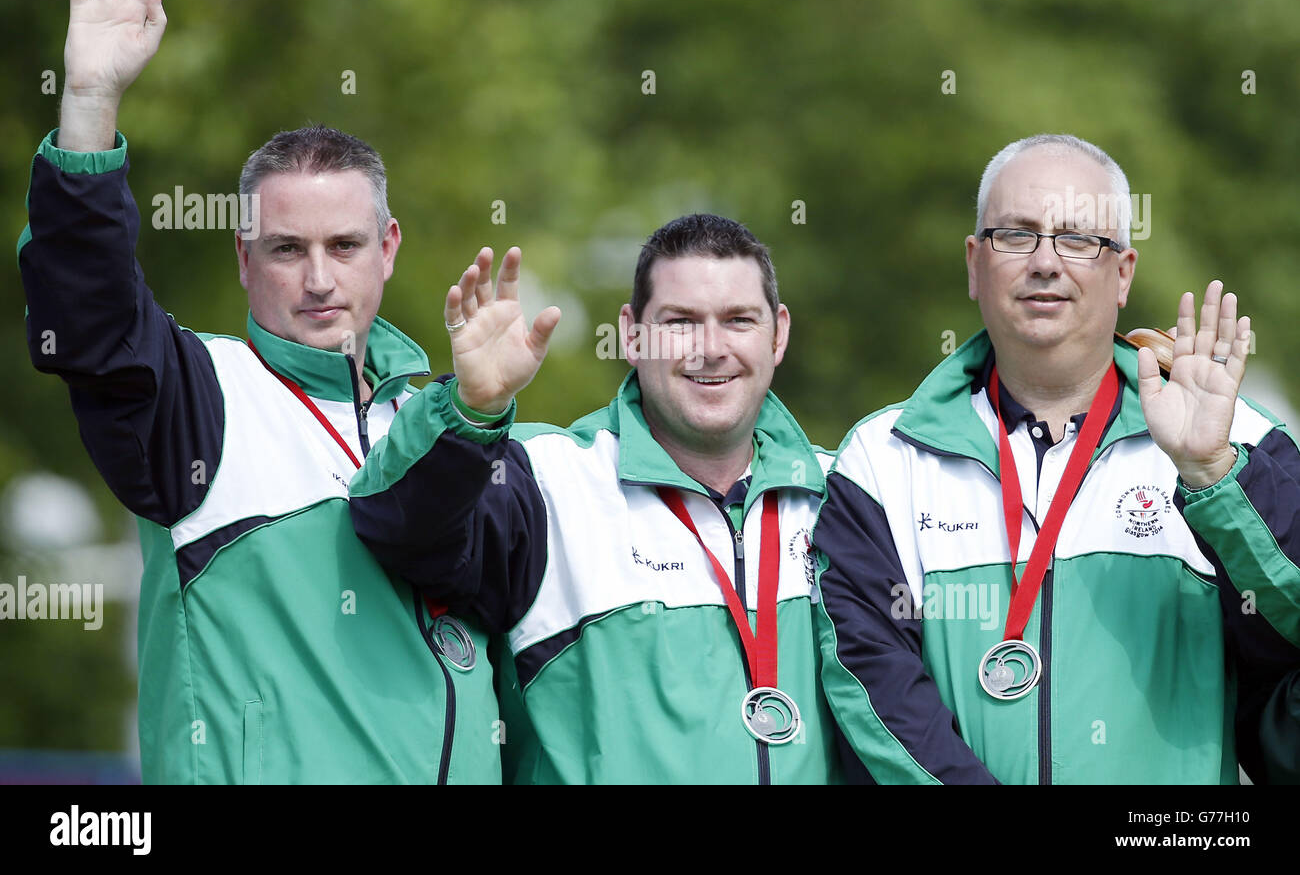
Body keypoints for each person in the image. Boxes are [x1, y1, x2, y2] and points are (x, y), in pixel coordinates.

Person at [18, 0, 499, 783]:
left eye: (344, 245)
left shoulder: (431, 419)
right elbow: (88, 309)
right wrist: (89, 102)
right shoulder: (203, 395)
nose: (318, 280)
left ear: (387, 249)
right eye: (285, 249)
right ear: (243, 259)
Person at [814, 133, 1300, 783]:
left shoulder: (1233, 436)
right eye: (1015, 235)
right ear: (974, 262)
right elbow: (872, 696)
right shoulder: (882, 462)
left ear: (1122, 272)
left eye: (1078, 239)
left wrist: (1212, 473)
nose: (1046, 262)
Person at [350, 215, 842, 783]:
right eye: (679, 322)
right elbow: (400, 533)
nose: (711, 349)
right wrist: (469, 411)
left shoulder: (842, 493)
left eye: (738, 321)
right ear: (631, 334)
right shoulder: (549, 481)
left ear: (777, 334)